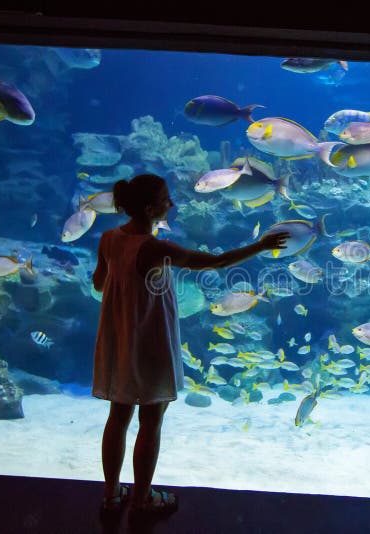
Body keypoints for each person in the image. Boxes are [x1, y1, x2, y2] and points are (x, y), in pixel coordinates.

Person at [91, 173, 289, 515]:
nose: (172, 204)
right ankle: (142, 498)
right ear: (152, 207)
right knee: (151, 421)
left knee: (118, 415)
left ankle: (111, 494)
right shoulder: (155, 247)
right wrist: (260, 246)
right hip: (149, 340)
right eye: (167, 198)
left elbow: (98, 283)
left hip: (118, 338)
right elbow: (215, 262)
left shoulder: (108, 239)